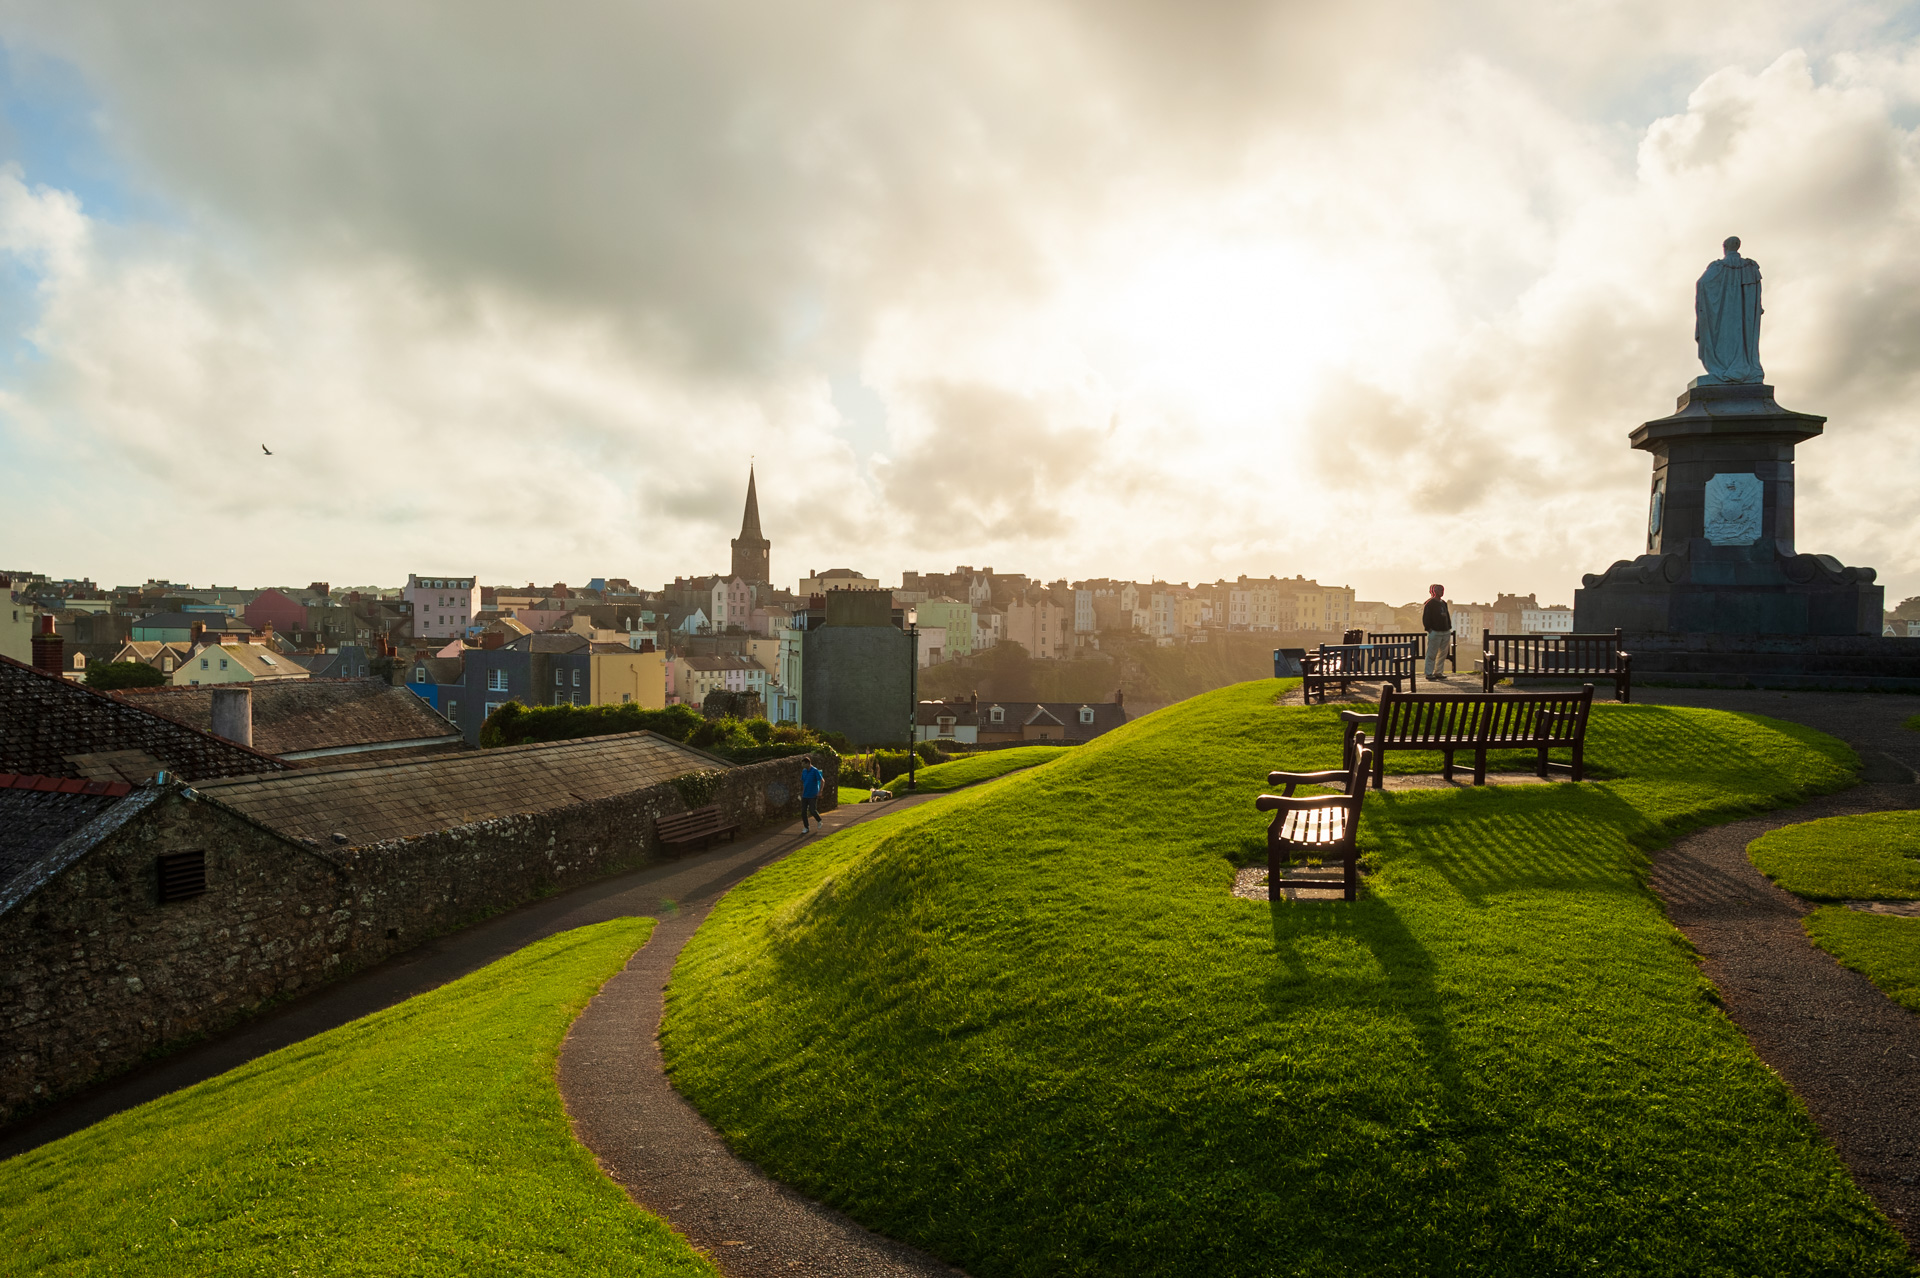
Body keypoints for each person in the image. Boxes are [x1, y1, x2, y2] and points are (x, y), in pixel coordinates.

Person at [1421, 584, 1452, 681]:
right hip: (1435, 632)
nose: (1442, 592)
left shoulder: (1443, 603)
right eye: (1439, 590)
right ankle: (1429, 673)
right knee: (1432, 653)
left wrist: (1449, 628)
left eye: (1442, 590)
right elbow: (1426, 618)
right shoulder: (1430, 603)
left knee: (1443, 653)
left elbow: (1447, 616)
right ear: (1434, 591)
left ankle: (1439, 672)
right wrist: (1429, 629)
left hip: (1445, 631)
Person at [799, 755, 824, 834]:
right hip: (805, 795)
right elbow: (804, 782)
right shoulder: (804, 771)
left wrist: (820, 791)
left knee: (812, 810)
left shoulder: (815, 770)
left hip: (813, 794)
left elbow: (822, 781)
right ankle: (806, 827)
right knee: (803, 812)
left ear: (807, 763)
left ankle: (819, 820)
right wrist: (802, 792)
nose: (802, 765)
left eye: (803, 764)